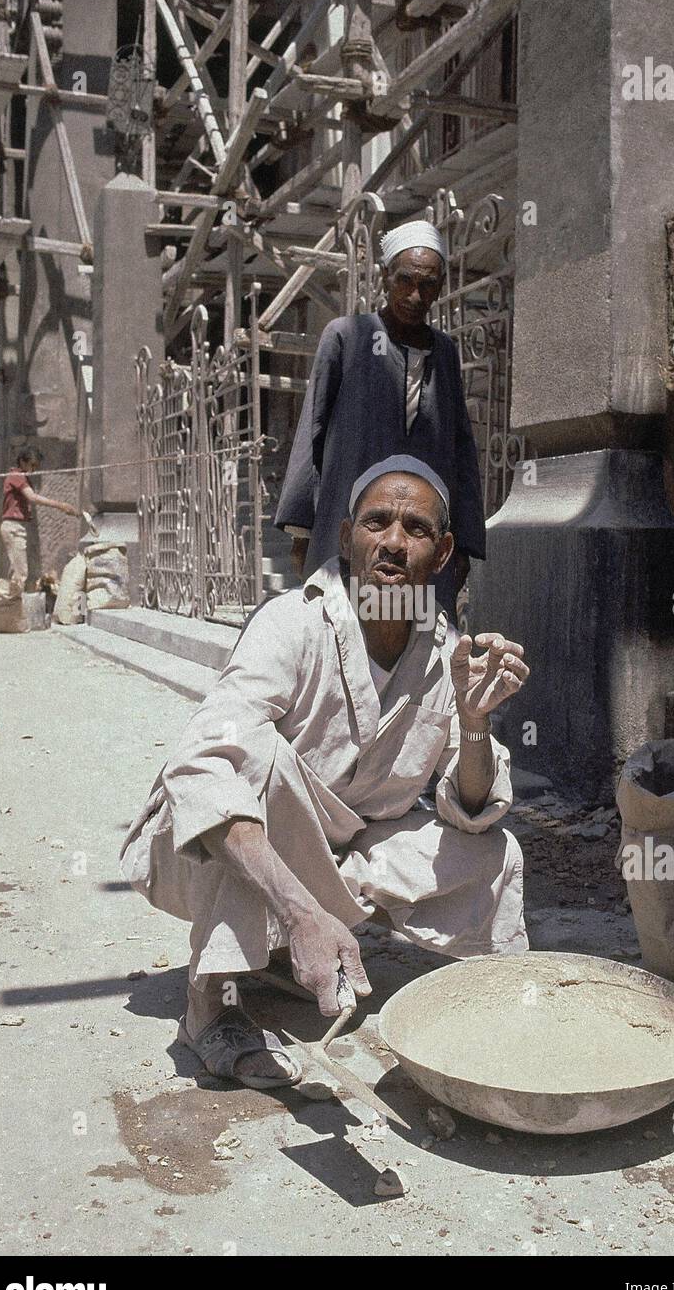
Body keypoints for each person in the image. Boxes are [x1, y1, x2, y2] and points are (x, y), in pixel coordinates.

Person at [120, 456, 530, 1089]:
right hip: (201, 849)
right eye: (377, 523)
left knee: (490, 850)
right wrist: (303, 912)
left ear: (444, 551)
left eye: (416, 529)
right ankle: (211, 1005)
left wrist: (474, 722)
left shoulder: (446, 651)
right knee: (259, 760)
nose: (393, 542)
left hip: (333, 855)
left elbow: (470, 802)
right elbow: (201, 768)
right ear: (346, 538)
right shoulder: (290, 623)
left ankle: (484, 999)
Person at [274, 219, 486, 615]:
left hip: (419, 536)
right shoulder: (344, 337)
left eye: (428, 285)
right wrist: (301, 529)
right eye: (405, 280)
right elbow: (311, 434)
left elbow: (460, 449)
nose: (415, 295)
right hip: (349, 524)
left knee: (415, 636)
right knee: (344, 627)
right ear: (385, 276)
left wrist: (465, 543)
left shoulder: (445, 352)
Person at [0, 447, 80, 590]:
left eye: (36, 466)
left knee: (17, 571)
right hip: (14, 526)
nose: (34, 469)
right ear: (22, 462)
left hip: (18, 526)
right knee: (20, 573)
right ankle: (15, 608)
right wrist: (60, 505)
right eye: (32, 465)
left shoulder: (22, 477)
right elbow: (32, 497)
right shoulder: (16, 475)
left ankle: (12, 605)